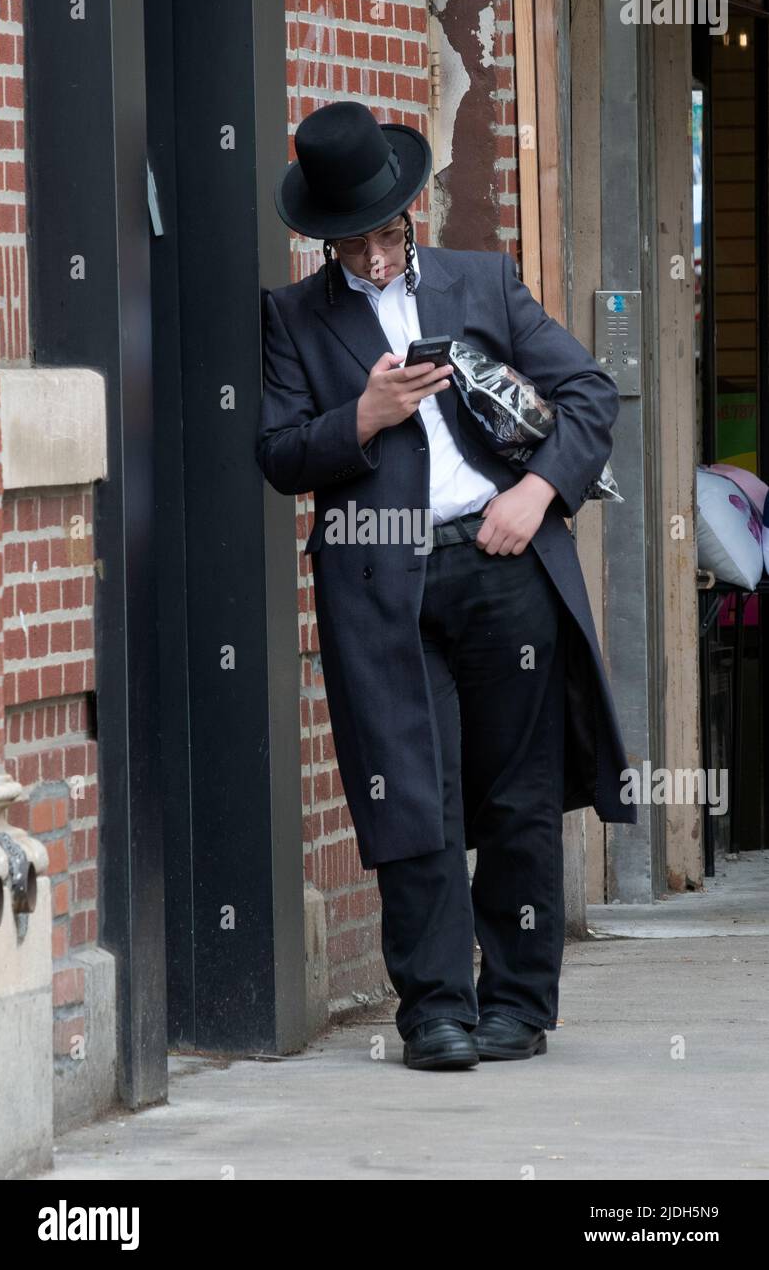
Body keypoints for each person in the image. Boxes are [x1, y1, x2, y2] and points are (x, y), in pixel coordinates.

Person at [256, 100, 635, 1072]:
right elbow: (280, 452)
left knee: (518, 793)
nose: (376, 260)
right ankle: (433, 1008)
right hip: (380, 583)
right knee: (408, 796)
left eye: (386, 236)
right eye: (353, 245)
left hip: (502, 559)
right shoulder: (293, 316)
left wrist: (539, 492)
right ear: (326, 241)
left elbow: (587, 390)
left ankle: (518, 1003)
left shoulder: (482, 281)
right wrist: (366, 415)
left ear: (407, 215)